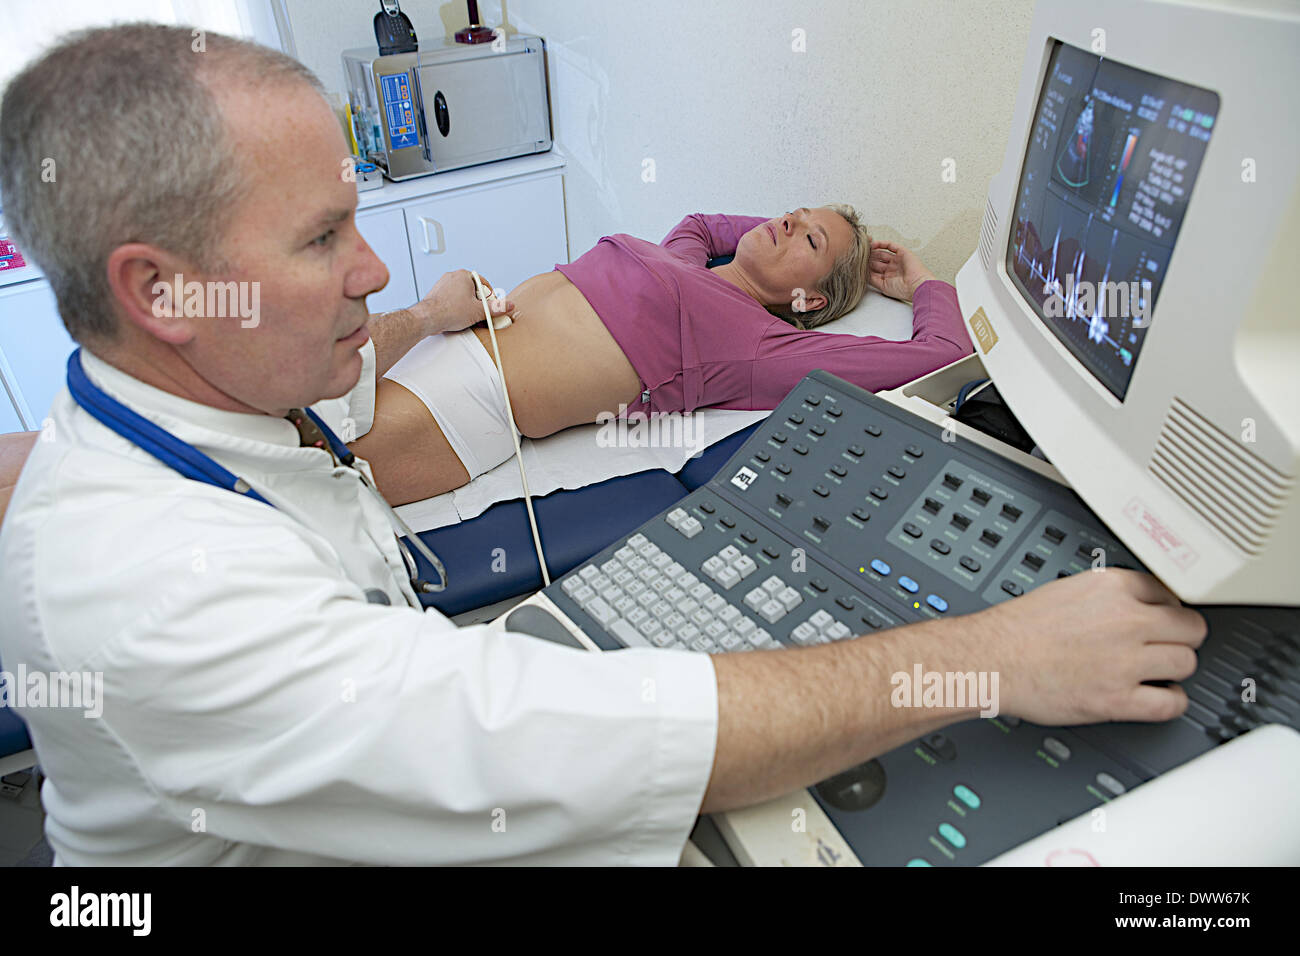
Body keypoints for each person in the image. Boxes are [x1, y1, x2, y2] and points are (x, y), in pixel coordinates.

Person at [0, 24, 1205, 866]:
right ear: (160, 291)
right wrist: (988, 657)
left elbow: (912, 362)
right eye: (323, 237)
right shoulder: (161, 590)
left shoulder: (232, 405)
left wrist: (922, 284)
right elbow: (585, 741)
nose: (372, 267)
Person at [349, 207, 971, 505]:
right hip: (445, 335)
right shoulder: (685, 257)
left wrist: (923, 286)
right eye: (796, 213)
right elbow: (703, 224)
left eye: (807, 238)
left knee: (285, 479)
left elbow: (942, 354)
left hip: (475, 400)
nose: (785, 221)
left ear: (808, 300)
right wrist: (788, 232)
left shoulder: (761, 343)